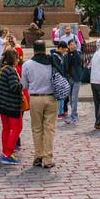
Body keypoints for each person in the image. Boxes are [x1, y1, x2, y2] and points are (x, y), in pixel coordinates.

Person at [21, 40, 60, 168]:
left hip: (35, 98)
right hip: (51, 98)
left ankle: (38, 156)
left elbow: (24, 85)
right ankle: (48, 158)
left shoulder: (27, 65)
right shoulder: (52, 62)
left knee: (37, 129)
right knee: (49, 129)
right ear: (45, 49)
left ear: (33, 50)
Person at [0, 48, 23, 165]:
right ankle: (8, 152)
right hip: (10, 104)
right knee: (17, 127)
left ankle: (5, 150)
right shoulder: (10, 70)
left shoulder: (2, 68)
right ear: (13, 59)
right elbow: (14, 87)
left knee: (6, 128)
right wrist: (24, 83)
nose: (18, 60)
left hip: (2, 103)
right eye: (17, 58)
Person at [64, 39, 83, 124]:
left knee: (74, 98)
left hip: (76, 79)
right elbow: (66, 66)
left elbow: (79, 61)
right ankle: (74, 114)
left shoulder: (78, 53)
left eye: (73, 44)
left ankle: (74, 116)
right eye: (70, 44)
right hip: (69, 79)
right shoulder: (67, 55)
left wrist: (74, 51)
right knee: (71, 98)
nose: (71, 46)